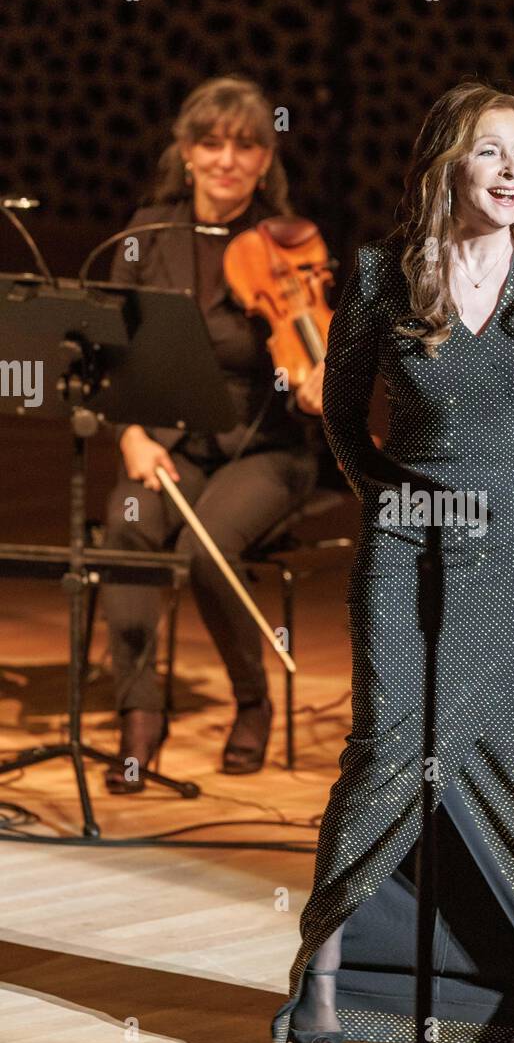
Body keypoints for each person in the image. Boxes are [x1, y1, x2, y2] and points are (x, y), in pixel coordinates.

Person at [271, 81, 514, 1043]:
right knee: (382, 746)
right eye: (487, 153)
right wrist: (392, 494)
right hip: (405, 544)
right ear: (445, 167)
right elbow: (339, 412)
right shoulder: (381, 272)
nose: (510, 172)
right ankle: (322, 979)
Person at [101, 75, 324, 788]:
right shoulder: (146, 235)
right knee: (126, 520)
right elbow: (111, 352)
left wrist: (321, 380)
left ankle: (252, 702)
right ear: (187, 152)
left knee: (207, 547)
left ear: (265, 160)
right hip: (173, 440)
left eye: (246, 145)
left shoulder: (288, 242)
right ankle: (139, 714)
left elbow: (316, 348)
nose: (227, 159)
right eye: (212, 143)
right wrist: (131, 433)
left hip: (266, 449)